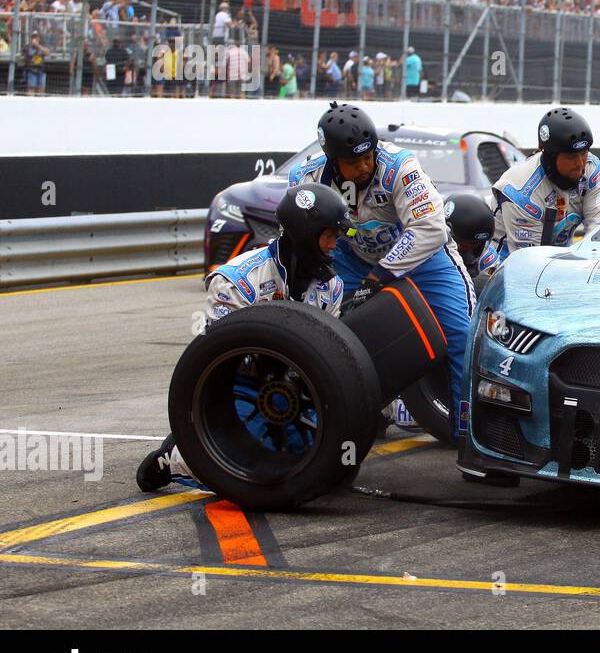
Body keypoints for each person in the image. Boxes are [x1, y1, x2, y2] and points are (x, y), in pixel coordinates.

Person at [135, 183, 353, 492]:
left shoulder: (331, 287)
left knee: (331, 463)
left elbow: (329, 352)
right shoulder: (236, 281)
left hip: (295, 387)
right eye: (329, 236)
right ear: (305, 234)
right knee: (254, 468)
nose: (335, 245)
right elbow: (220, 360)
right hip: (239, 384)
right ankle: (175, 456)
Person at [288, 103, 475, 436]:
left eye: (367, 156)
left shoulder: (401, 167)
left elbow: (430, 230)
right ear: (332, 160)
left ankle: (468, 433)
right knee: (325, 334)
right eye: (352, 161)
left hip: (423, 257)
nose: (362, 166)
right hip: (352, 256)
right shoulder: (307, 177)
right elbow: (297, 232)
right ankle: (354, 416)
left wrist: (378, 278)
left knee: (462, 335)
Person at [479, 107, 600, 276]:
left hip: (558, 259)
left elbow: (599, 237)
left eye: (584, 153)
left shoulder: (593, 170)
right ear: (550, 155)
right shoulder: (520, 190)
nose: (580, 163)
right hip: (503, 265)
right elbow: (529, 267)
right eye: (571, 157)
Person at [444, 192, 495, 278]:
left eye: (475, 244)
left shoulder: (488, 259)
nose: (469, 250)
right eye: (464, 244)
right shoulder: (432, 255)